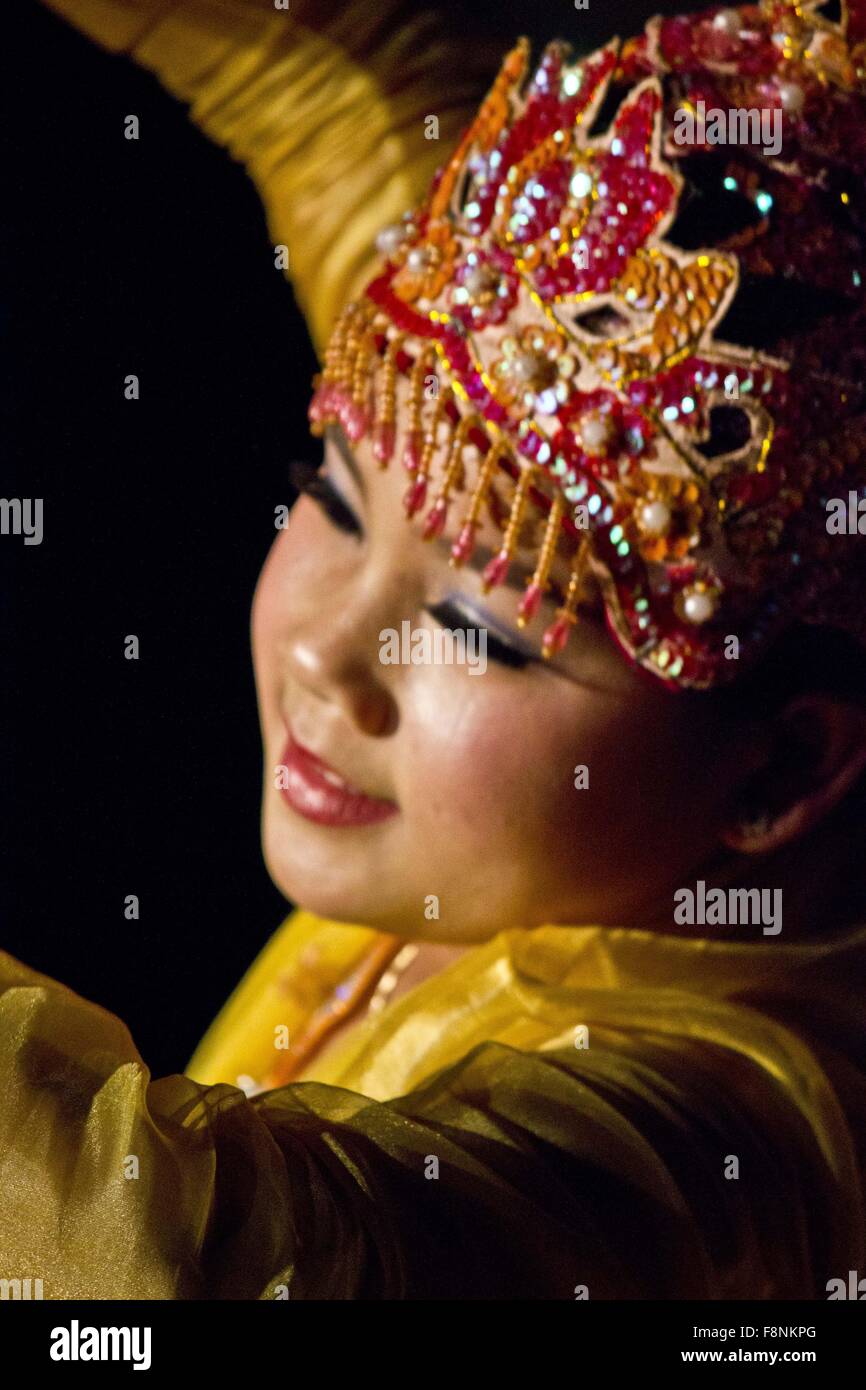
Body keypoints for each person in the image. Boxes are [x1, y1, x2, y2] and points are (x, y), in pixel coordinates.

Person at [4, 0, 866, 1298]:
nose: (327, 656)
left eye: (479, 628)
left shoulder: (726, 1154)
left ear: (779, 771)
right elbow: (326, 68)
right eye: (337, 495)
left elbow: (176, 1255)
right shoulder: (531, 346)